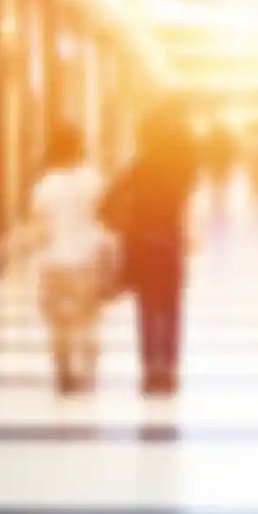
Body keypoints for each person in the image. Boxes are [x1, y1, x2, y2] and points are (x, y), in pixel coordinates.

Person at [98, 100, 198, 396]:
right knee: (170, 307)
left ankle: (148, 370)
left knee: (146, 309)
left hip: (140, 245)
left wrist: (125, 226)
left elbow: (105, 205)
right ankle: (167, 369)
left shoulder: (139, 167)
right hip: (170, 246)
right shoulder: (183, 171)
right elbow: (184, 209)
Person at [31, 124, 106, 394]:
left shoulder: (46, 185)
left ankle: (63, 375)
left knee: (59, 323)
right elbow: (102, 219)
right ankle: (87, 375)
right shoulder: (92, 180)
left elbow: (40, 229)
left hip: (54, 263)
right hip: (87, 261)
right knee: (88, 320)